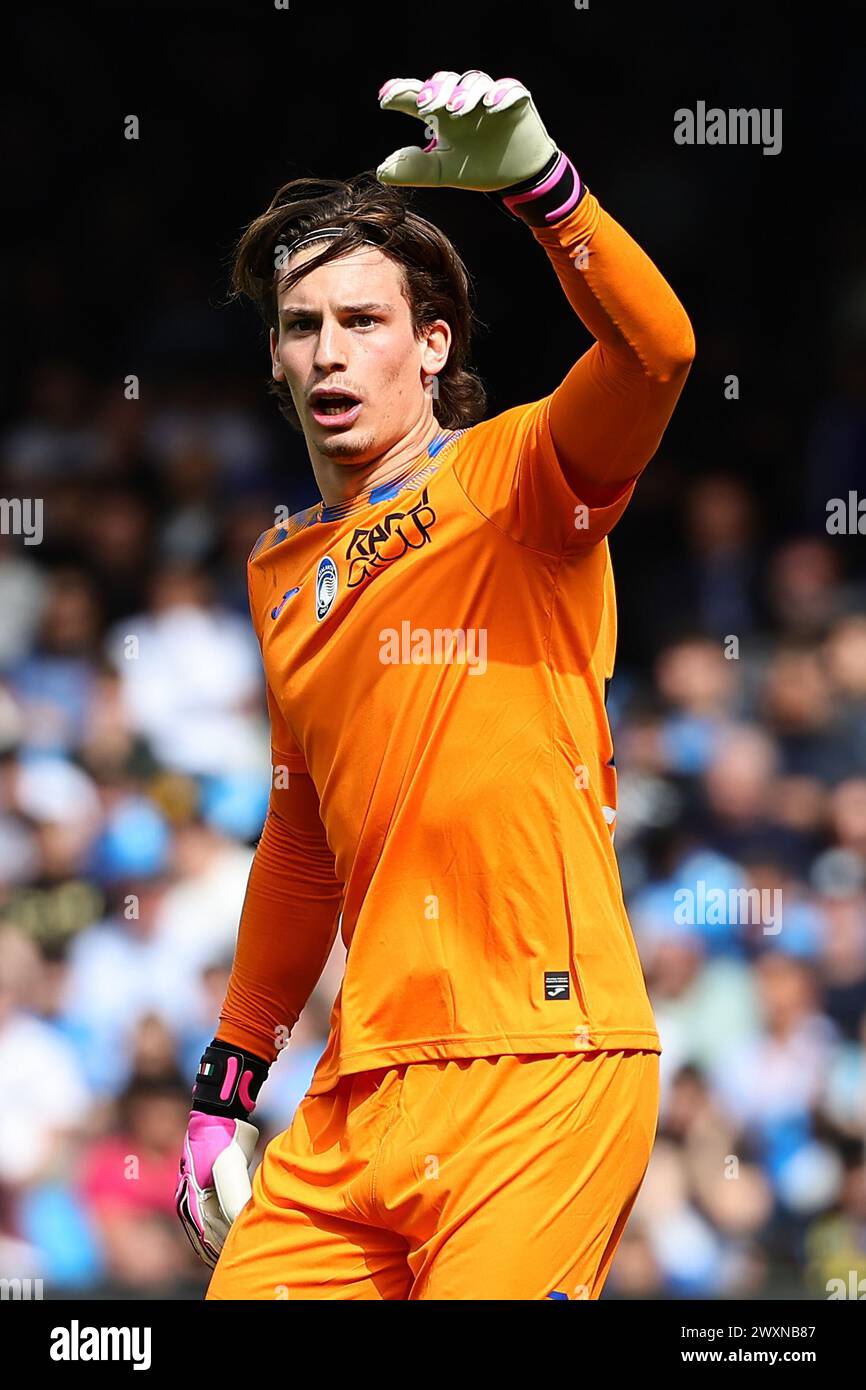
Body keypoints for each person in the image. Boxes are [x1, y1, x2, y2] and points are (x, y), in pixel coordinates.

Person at [176, 68, 695, 1300]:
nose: (329, 352)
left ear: (432, 344)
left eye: (363, 321)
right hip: (358, 1095)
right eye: (302, 328)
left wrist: (543, 189)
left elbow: (657, 352)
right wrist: (230, 1074)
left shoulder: (517, 481)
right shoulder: (277, 570)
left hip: (540, 1065)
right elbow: (303, 841)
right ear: (275, 363)